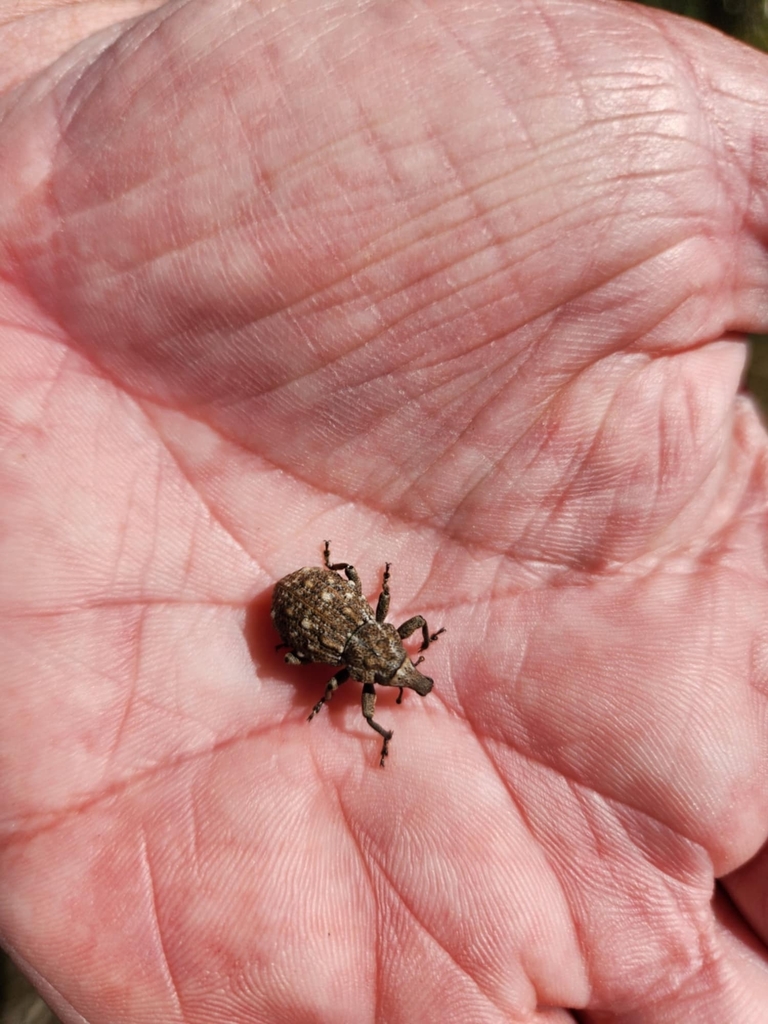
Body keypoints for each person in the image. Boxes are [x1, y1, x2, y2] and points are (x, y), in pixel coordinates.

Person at [2, 0, 768, 1020]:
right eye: (403, 669)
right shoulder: (351, 668)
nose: (404, 674)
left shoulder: (358, 665)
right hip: (310, 601)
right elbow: (345, 683)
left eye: (400, 673)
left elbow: (351, 674)